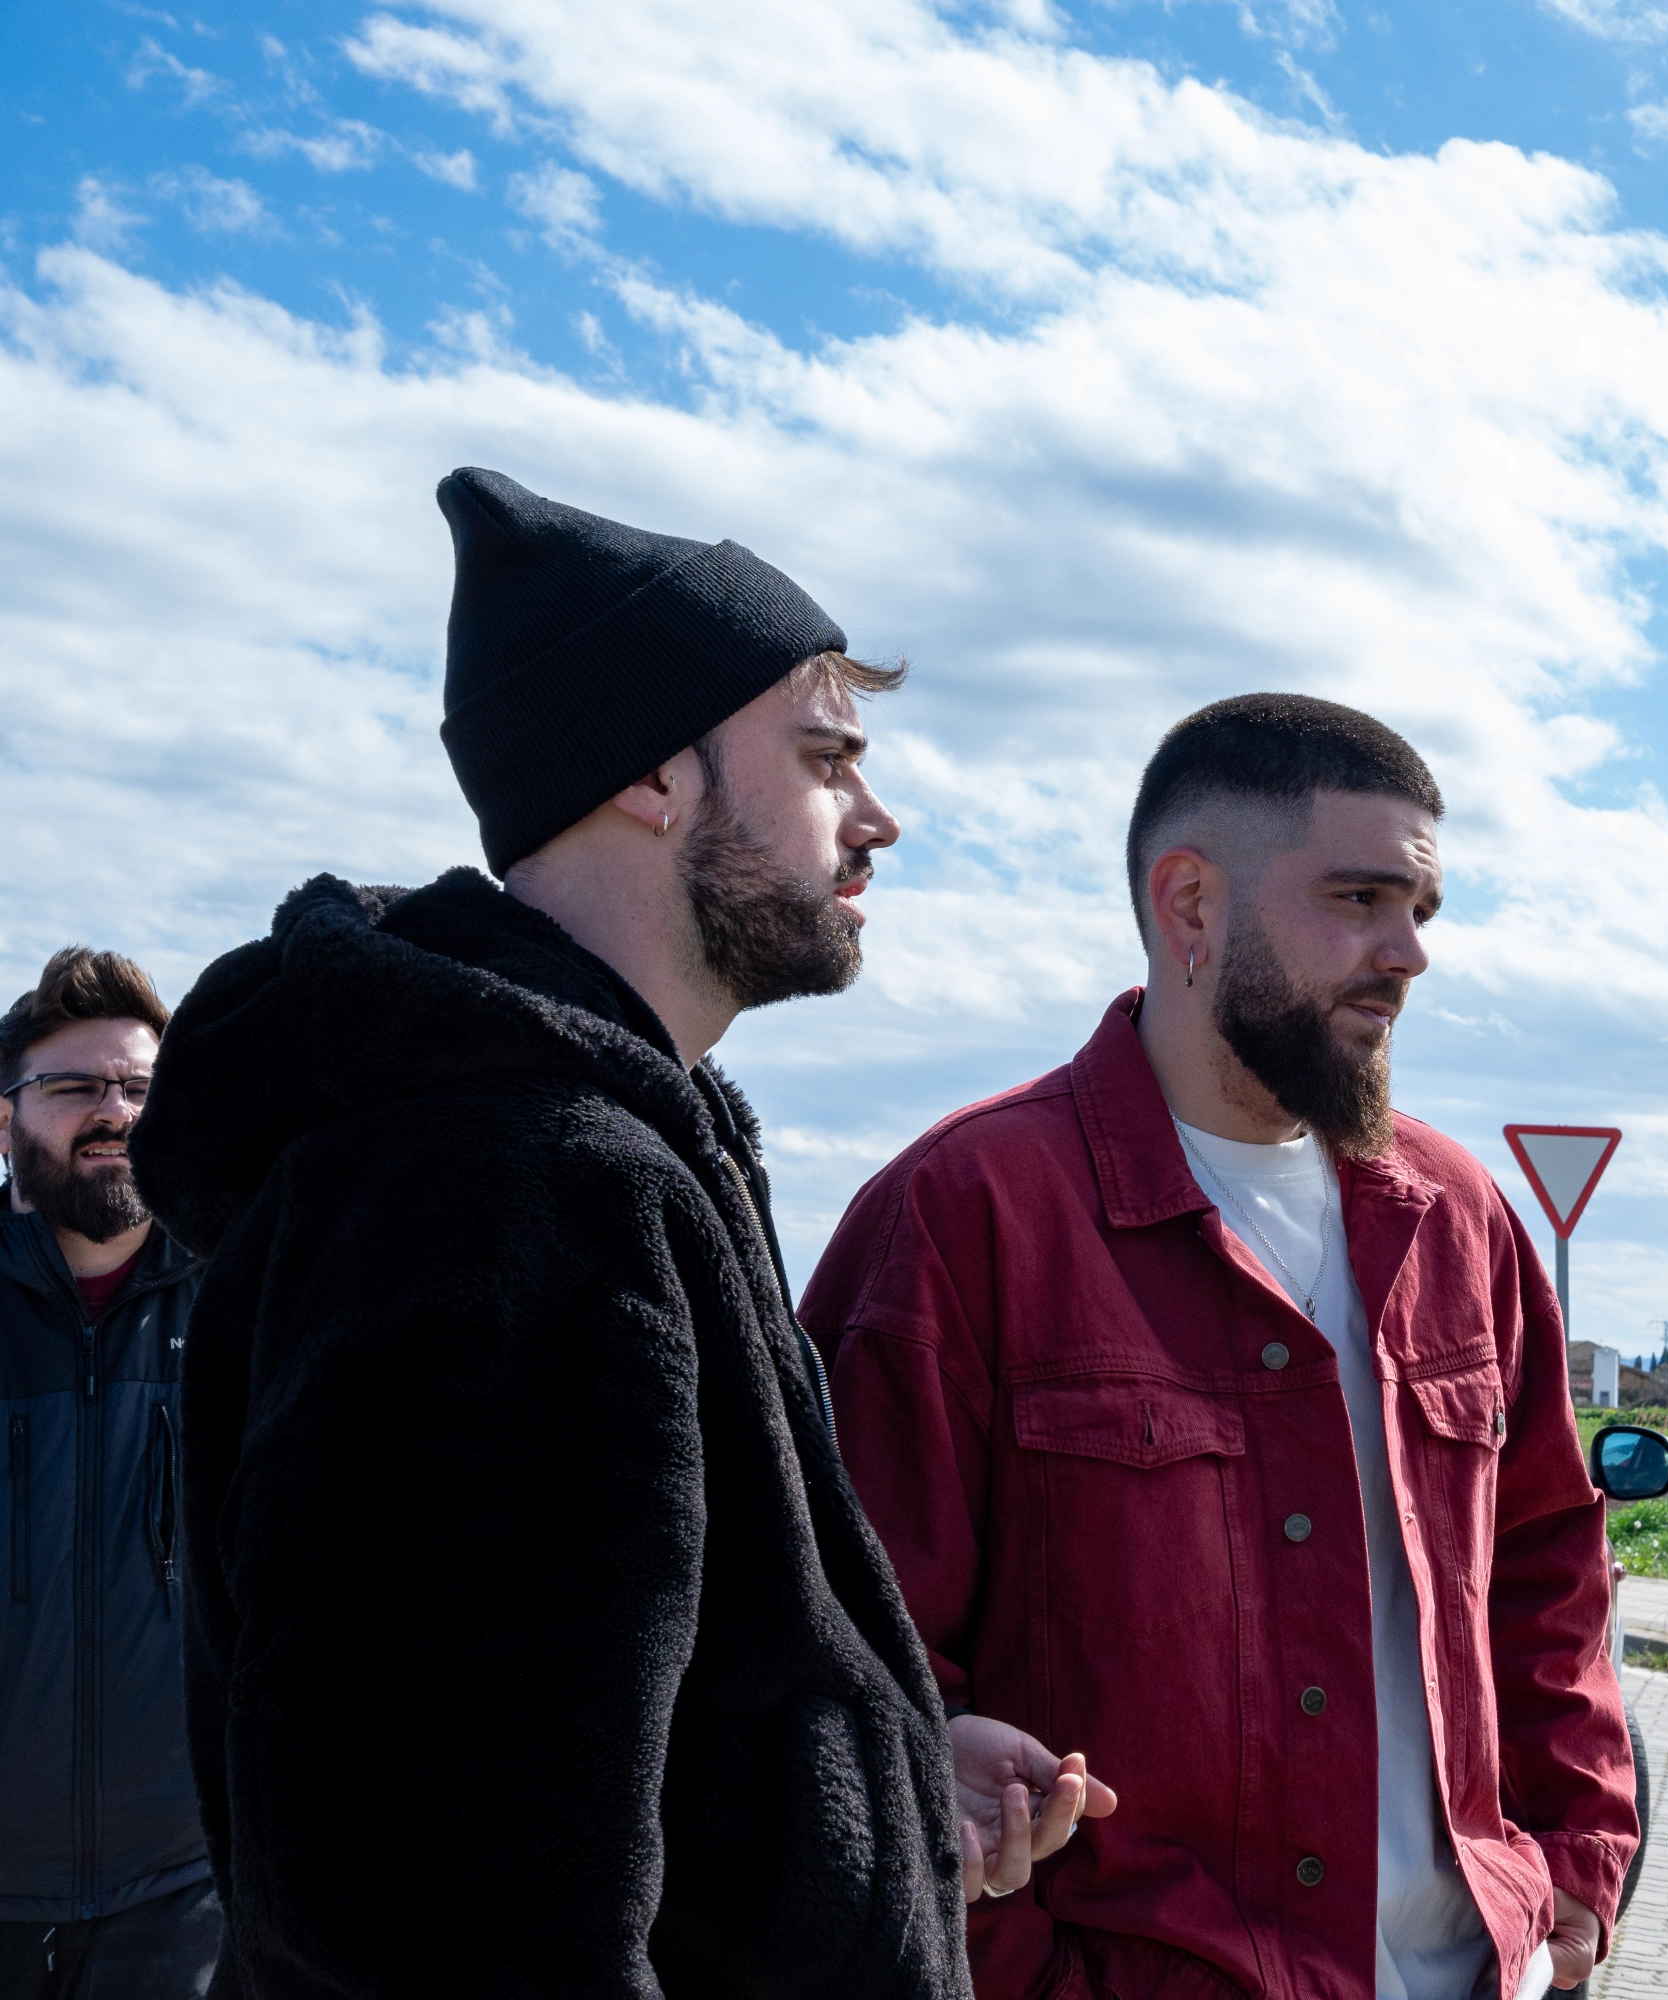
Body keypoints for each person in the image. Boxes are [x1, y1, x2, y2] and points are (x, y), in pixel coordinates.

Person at [131, 469, 1108, 2000]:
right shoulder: (506, 1191)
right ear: (655, 775)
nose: (878, 818)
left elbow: (612, 1736)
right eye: (825, 758)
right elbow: (446, 1909)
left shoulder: (588, 1143)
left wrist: (888, 1783)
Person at [801, 693, 1636, 2000]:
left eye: (1423, 910)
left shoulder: (1460, 1221)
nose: (1408, 953)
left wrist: (1576, 1868)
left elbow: (1547, 1570)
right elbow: (850, 1677)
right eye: (1360, 899)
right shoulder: (967, 1217)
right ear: (1189, 904)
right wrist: (1020, 1974)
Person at [0, 949, 220, 1999]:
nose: (116, 1109)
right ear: (5, 1119)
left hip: (184, 1901)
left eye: (139, 1086)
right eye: (75, 1084)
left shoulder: (244, 1310)